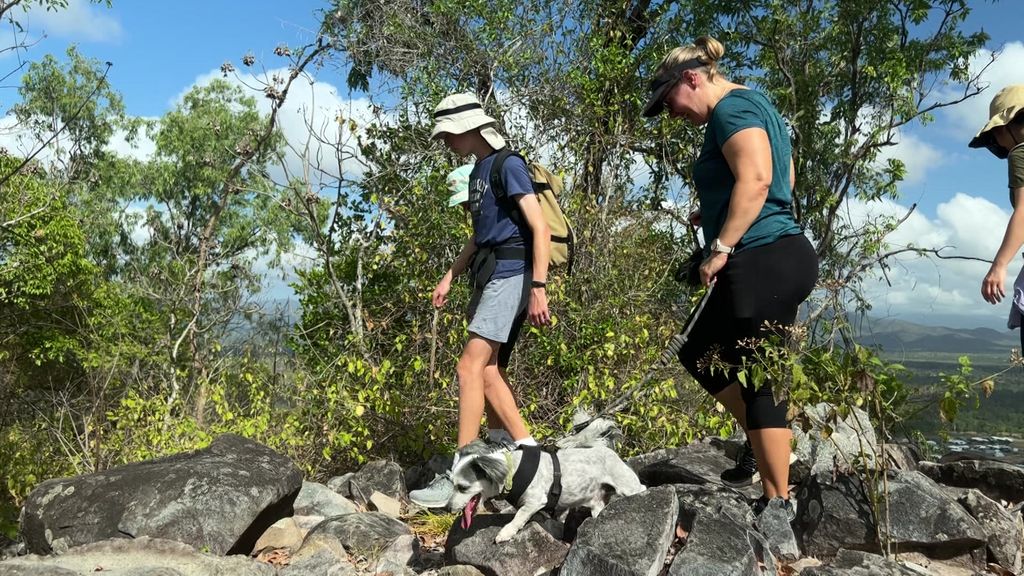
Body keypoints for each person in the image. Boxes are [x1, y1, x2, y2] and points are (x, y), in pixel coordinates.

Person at [642, 36, 818, 519]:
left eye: (669, 102)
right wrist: (718, 211)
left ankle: (777, 501)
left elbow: (759, 180)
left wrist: (720, 247)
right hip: (774, 253)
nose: (671, 114)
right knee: (698, 350)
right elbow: (784, 176)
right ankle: (770, 443)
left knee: (760, 379)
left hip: (763, 257)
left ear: (691, 79)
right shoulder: (756, 103)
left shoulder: (729, 111)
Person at [409, 93, 552, 508]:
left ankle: (460, 473)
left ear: (469, 128)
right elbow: (480, 233)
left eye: (449, 134)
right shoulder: (479, 171)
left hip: (511, 273)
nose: (446, 142)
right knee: (488, 373)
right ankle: (525, 453)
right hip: (488, 273)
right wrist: (450, 274)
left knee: (468, 366)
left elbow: (538, 228)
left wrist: (538, 287)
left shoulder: (509, 165)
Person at [971, 85, 1024, 345]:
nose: (998, 143)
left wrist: (999, 265)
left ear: (1006, 127)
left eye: (995, 136)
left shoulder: (1021, 152)